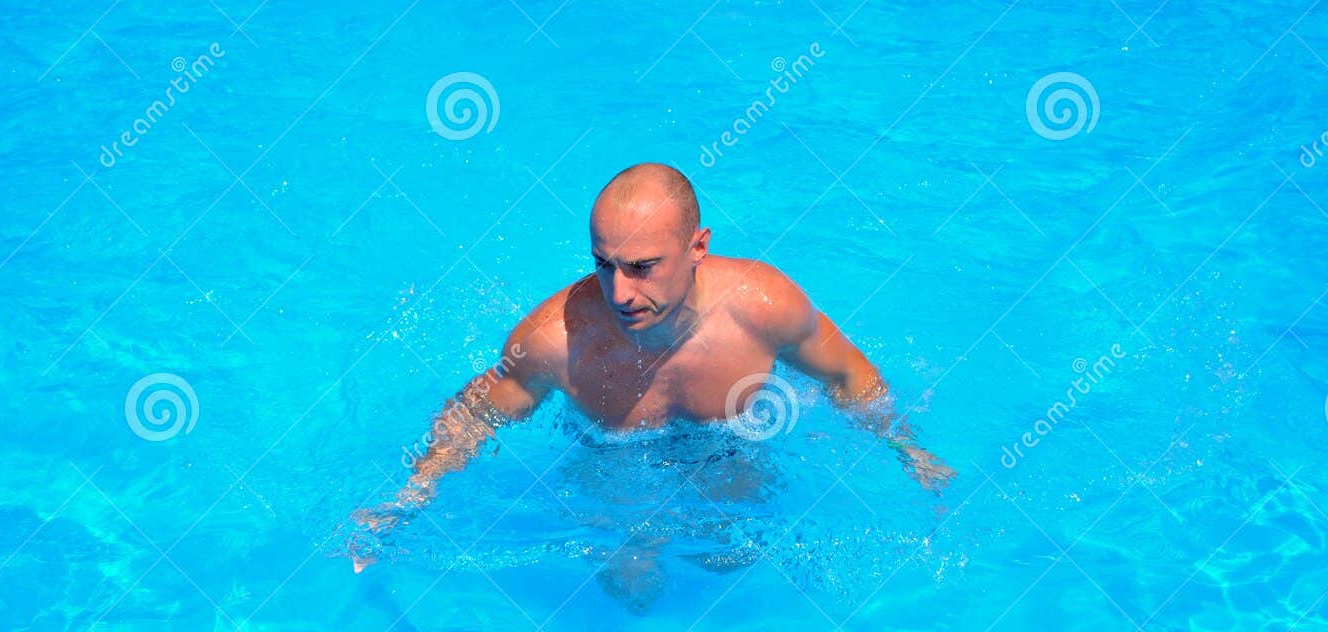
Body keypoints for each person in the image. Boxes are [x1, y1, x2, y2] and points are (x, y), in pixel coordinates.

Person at [352, 162, 953, 574]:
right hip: (612, 460)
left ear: (698, 247)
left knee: (731, 561)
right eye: (604, 264)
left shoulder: (762, 306)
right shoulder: (555, 341)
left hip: (731, 450)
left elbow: (848, 375)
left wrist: (907, 449)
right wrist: (413, 493)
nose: (618, 292)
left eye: (642, 266)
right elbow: (477, 410)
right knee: (628, 582)